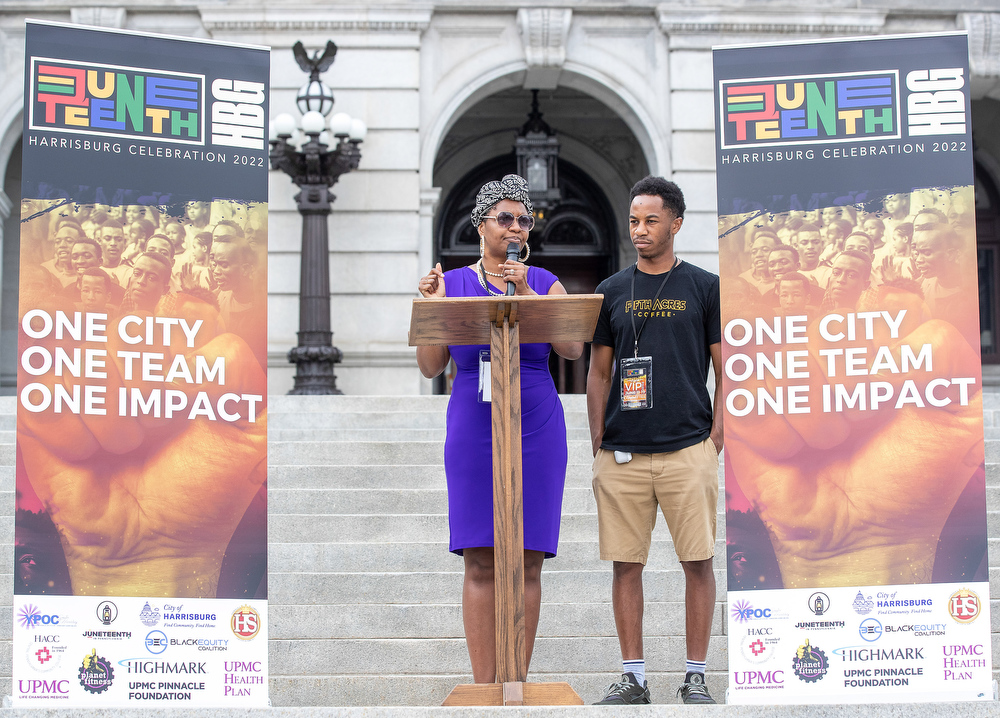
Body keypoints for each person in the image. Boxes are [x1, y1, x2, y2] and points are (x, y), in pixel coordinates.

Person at [415, 174, 583, 684]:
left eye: (523, 219)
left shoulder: (546, 281)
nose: (514, 227)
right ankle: (485, 687)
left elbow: (572, 351)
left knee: (529, 558)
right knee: (481, 558)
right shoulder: (453, 282)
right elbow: (429, 366)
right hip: (473, 417)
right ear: (481, 224)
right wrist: (431, 307)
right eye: (504, 218)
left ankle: (517, 683)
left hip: (535, 417)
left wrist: (527, 291)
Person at [587, 176, 722, 705]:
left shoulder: (704, 286)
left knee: (698, 562)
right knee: (626, 564)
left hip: (689, 446)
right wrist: (598, 436)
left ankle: (694, 675)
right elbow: (599, 373)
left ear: (676, 223)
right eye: (633, 220)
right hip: (623, 452)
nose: (639, 230)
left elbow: (724, 367)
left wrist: (718, 435)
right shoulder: (611, 290)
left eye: (650, 220)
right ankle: (635, 677)